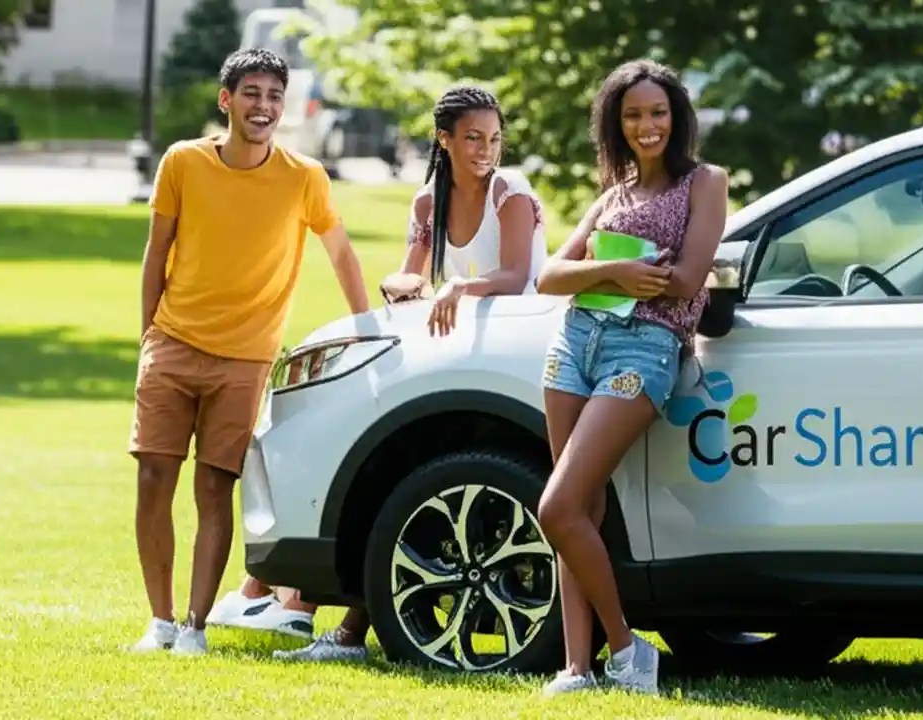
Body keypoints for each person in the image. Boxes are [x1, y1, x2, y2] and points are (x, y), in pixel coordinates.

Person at [272, 84, 549, 663]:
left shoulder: (510, 193)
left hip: (519, 347)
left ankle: (335, 626)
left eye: (494, 138)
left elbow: (519, 274)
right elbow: (410, 274)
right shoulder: (428, 203)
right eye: (472, 138)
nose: (486, 150)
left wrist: (458, 286)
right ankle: (325, 619)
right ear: (442, 140)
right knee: (404, 471)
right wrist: (403, 288)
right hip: (462, 352)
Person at [128, 47, 370, 656]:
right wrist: (149, 336)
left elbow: (340, 252)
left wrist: (368, 323)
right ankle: (159, 622)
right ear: (226, 100)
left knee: (214, 489)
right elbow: (157, 252)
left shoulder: (303, 176)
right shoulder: (183, 162)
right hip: (173, 344)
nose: (263, 107)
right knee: (154, 479)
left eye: (273, 96)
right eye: (252, 94)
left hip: (245, 360)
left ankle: (194, 626)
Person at [534, 59, 728, 694]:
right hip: (575, 343)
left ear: (677, 117)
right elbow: (549, 278)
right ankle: (576, 667)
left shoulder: (706, 182)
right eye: (634, 115)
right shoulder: (612, 195)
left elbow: (688, 280)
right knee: (579, 507)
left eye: (659, 113)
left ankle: (626, 646)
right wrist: (609, 273)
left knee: (556, 507)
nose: (648, 126)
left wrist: (610, 272)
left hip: (644, 350)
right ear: (617, 125)